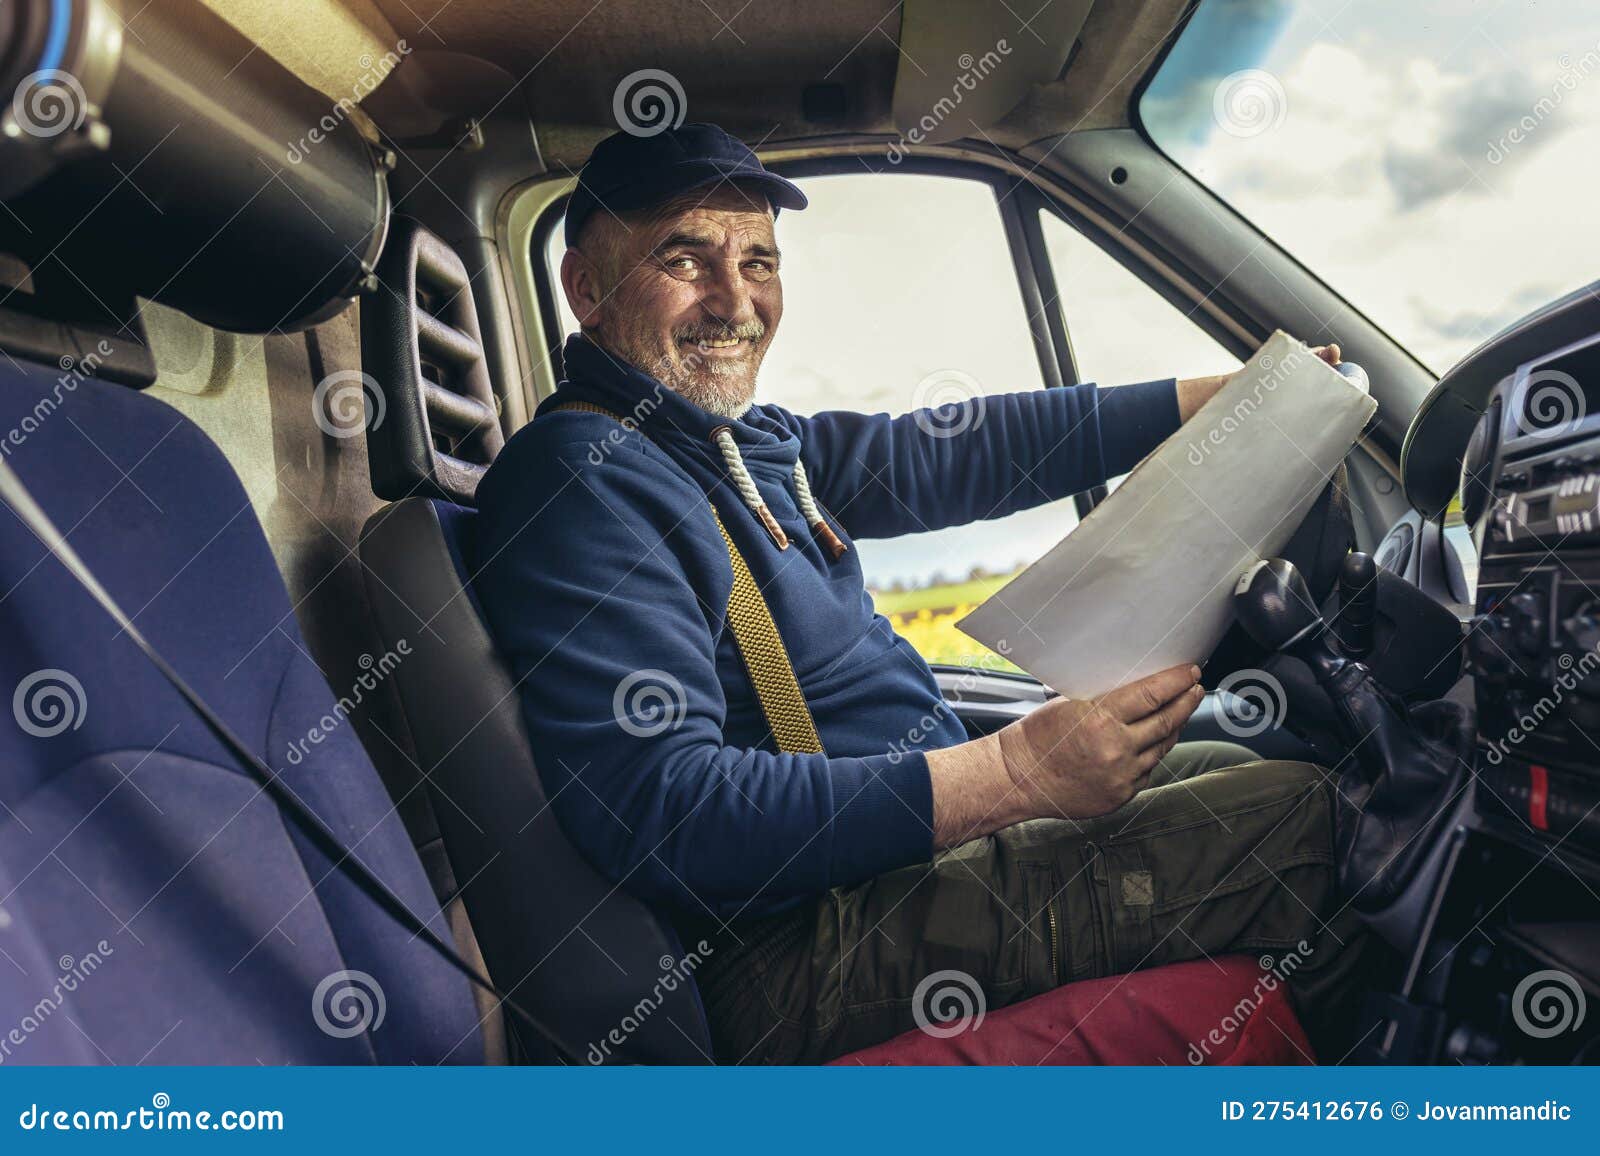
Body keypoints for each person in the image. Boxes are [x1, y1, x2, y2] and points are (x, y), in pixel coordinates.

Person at [474, 123, 1366, 1063]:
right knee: (1316, 827)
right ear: (586, 290)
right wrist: (1016, 775)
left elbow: (949, 451)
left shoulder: (732, 442)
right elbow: (667, 810)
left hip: (889, 866)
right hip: (794, 943)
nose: (735, 300)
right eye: (684, 260)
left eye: (759, 262)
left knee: (1278, 769)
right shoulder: (587, 478)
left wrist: (1221, 404)